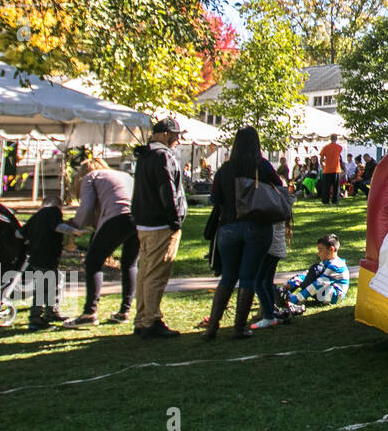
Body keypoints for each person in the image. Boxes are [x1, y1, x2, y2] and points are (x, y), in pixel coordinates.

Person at [204, 126, 285, 340]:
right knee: (248, 278)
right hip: (257, 226)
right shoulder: (262, 166)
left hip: (228, 227)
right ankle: (239, 327)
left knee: (228, 278)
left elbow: (215, 199)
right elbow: (279, 188)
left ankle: (212, 326)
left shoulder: (225, 169)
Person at [131, 117, 187, 339]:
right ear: (165, 134)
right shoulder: (162, 156)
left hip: (145, 223)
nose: (177, 140)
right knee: (156, 273)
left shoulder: (145, 156)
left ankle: (142, 317)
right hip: (160, 224)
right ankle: (151, 319)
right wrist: (175, 219)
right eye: (175, 136)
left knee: (145, 272)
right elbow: (167, 190)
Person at [64, 157, 138, 326]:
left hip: (118, 217)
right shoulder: (125, 175)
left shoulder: (92, 176)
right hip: (139, 218)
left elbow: (87, 207)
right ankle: (124, 311)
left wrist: (76, 226)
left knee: (93, 262)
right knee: (130, 264)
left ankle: (89, 313)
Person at [24, 196, 65, 329]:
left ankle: (51, 312)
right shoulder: (52, 212)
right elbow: (58, 227)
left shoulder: (36, 217)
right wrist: (77, 231)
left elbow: (19, 234)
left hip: (37, 258)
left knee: (55, 281)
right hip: (46, 259)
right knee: (42, 288)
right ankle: (35, 320)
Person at [282, 234, 348, 309]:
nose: (318, 253)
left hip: (334, 297)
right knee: (311, 272)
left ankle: (289, 297)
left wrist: (297, 299)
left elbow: (318, 284)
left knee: (315, 270)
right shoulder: (327, 262)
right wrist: (291, 283)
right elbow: (306, 274)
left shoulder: (336, 266)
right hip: (326, 292)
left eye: (320, 250)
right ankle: (285, 291)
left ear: (331, 249)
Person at [319, 134, 343, 205]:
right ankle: (335, 200)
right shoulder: (339, 147)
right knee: (336, 187)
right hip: (336, 169)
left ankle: (325, 200)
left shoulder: (326, 147)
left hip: (327, 170)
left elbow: (321, 159)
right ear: (336, 139)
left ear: (330, 139)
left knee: (326, 187)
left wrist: (323, 166)